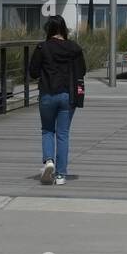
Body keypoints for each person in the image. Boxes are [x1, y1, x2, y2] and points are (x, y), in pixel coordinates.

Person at [29, 15, 85, 186]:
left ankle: (48, 161)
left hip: (47, 94)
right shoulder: (74, 48)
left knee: (47, 130)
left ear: (48, 30)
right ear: (64, 29)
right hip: (67, 96)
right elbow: (82, 70)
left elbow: (33, 72)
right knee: (63, 134)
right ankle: (61, 175)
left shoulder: (42, 47)